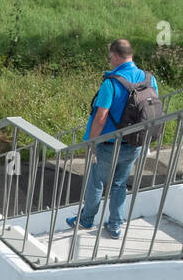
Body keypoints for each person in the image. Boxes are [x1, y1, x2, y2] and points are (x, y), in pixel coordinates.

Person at [66, 39, 158, 238]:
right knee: (119, 183)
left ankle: (86, 219)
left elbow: (101, 117)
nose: (109, 61)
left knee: (97, 181)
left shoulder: (111, 83)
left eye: (110, 58)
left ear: (116, 56)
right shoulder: (149, 79)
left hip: (109, 145)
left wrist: (92, 143)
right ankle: (115, 225)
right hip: (135, 144)